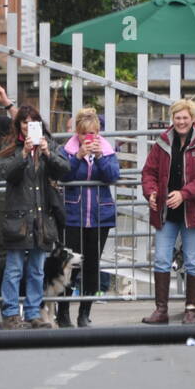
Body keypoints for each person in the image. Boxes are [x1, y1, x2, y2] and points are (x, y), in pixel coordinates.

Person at [140, 98, 195, 325]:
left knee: (193, 261)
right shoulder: (162, 143)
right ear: (172, 119)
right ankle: (161, 310)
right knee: (161, 260)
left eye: (185, 118)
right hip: (166, 212)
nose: (181, 122)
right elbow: (148, 173)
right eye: (177, 118)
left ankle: (191, 310)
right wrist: (151, 192)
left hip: (194, 211)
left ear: (193, 119)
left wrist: (183, 193)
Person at [0, 106, 71, 329]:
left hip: (41, 218)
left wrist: (48, 153)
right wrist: (22, 155)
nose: (28, 126)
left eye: (33, 122)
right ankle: (11, 313)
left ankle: (33, 313)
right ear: (19, 125)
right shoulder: (11, 146)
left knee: (37, 269)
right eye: (24, 122)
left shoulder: (48, 144)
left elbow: (65, 169)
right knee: (14, 269)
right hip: (18, 218)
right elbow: (6, 173)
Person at [60, 107, 120, 328]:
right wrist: (78, 157)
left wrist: (100, 156)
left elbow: (113, 175)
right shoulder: (66, 150)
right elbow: (63, 175)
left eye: (93, 132)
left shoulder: (106, 150)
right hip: (73, 217)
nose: (89, 138)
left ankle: (85, 312)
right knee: (69, 267)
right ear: (77, 132)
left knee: (92, 267)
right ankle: (63, 312)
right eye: (84, 133)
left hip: (98, 217)